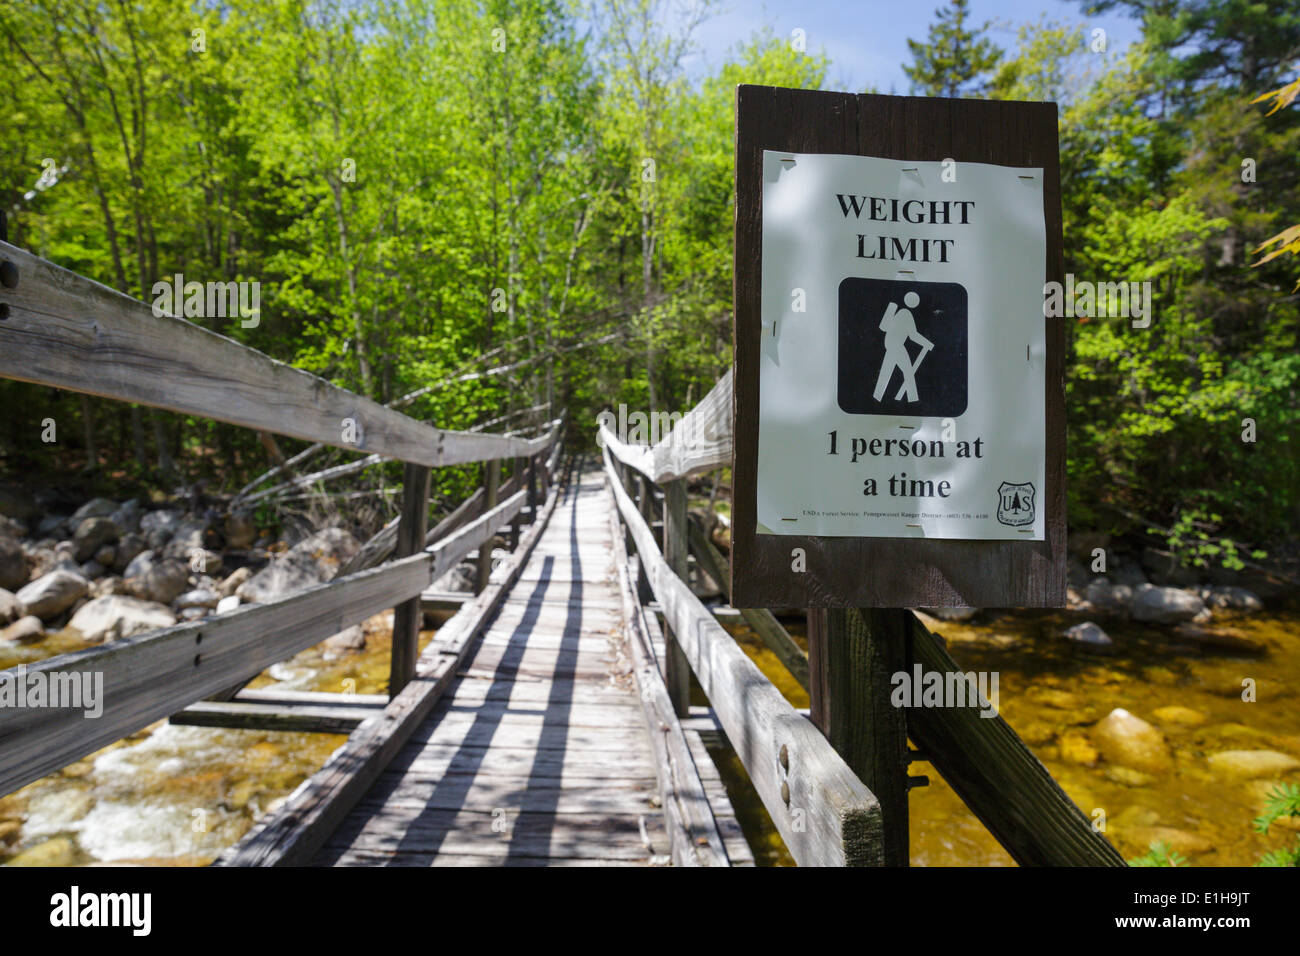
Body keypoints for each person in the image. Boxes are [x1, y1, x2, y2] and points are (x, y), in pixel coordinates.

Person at [871, 291, 933, 404]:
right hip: (896, 346)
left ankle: (877, 398)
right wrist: (927, 343)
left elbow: (884, 328)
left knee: (886, 372)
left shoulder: (901, 312)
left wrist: (926, 343)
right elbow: (912, 335)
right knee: (908, 371)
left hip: (891, 346)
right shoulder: (905, 313)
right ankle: (913, 400)